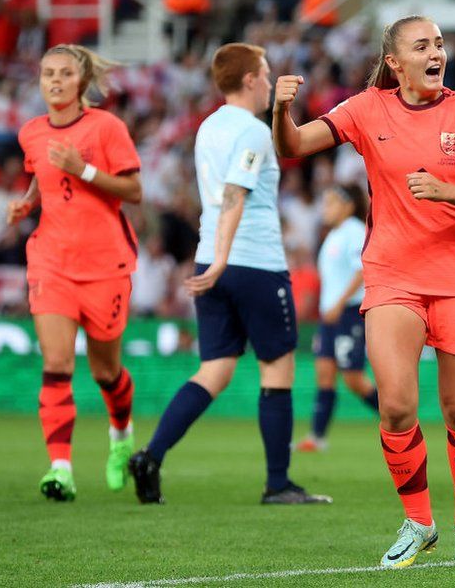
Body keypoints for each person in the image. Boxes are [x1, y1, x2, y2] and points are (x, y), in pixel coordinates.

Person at [273, 16, 455, 566]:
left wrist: (445, 190)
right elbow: (293, 145)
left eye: (440, 44)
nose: (437, 53)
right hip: (392, 275)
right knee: (398, 406)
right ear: (394, 63)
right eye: (423, 45)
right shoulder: (365, 109)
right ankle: (419, 522)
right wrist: (279, 109)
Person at [127, 43, 332, 506]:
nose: (268, 80)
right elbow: (236, 194)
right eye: (264, 73)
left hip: (210, 259)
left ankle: (151, 455)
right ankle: (278, 483)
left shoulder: (207, 128)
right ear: (249, 80)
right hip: (253, 261)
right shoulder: (253, 132)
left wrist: (213, 261)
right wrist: (224, 257)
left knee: (214, 369)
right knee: (277, 368)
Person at [7, 44, 142, 501]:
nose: (55, 81)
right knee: (57, 364)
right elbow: (39, 174)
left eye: (65, 73)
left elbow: (133, 189)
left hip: (105, 264)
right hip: (51, 261)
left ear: (82, 82)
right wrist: (28, 200)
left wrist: (81, 169)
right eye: (48, 74)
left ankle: (121, 435)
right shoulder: (30, 133)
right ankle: (60, 468)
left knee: (106, 372)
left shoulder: (106, 127)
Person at [296, 183, 379, 453]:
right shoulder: (334, 234)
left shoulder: (354, 231)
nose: (325, 208)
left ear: (348, 206)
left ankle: (398, 421)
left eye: (330, 202)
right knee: (324, 374)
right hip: (330, 315)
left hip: (347, 314)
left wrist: (339, 304)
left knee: (354, 378)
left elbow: (361, 271)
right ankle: (316, 437)